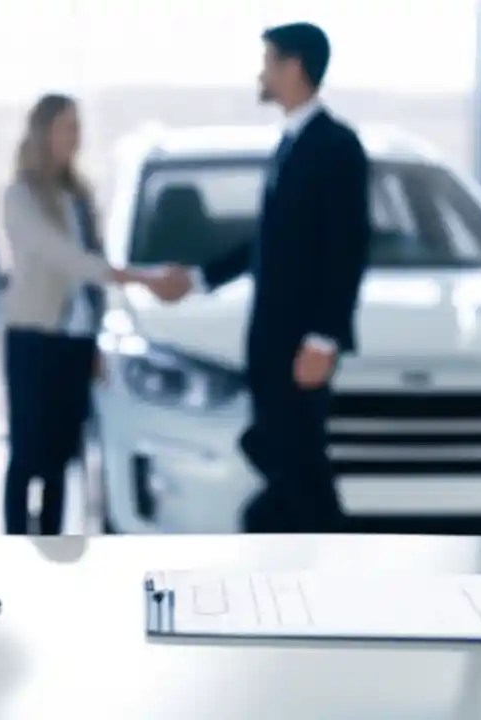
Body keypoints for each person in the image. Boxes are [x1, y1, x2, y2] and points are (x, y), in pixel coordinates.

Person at [146, 23, 371, 533]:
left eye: (268, 61)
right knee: (286, 463)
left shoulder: (335, 146)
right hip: (272, 343)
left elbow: (346, 248)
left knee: (299, 470)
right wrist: (200, 278)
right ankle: (289, 553)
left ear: (293, 68)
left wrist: (324, 337)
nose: (261, 73)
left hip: (299, 345)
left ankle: (324, 565)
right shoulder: (292, 145)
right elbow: (272, 243)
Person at [1, 94, 152, 535]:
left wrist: (97, 339)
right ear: (43, 132)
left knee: (62, 452)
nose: (74, 136)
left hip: (76, 340)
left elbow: (90, 269)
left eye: (77, 126)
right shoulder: (22, 195)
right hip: (35, 336)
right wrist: (136, 277)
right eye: (66, 126)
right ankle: (14, 543)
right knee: (28, 450)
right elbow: (62, 257)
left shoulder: (80, 195)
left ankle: (50, 540)